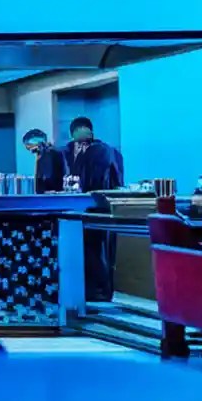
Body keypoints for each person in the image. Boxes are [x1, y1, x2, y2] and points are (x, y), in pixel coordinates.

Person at [69, 116, 125, 302]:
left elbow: (83, 182)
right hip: (109, 208)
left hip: (91, 208)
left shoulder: (91, 153)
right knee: (105, 251)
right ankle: (104, 290)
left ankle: (97, 290)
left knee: (92, 250)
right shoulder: (112, 151)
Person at [22, 128, 67, 194]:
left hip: (51, 194)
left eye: (29, 146)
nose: (30, 150)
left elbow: (48, 177)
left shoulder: (49, 153)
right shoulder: (44, 154)